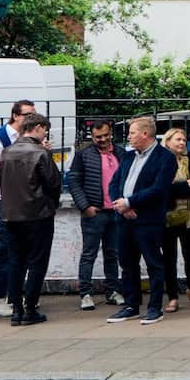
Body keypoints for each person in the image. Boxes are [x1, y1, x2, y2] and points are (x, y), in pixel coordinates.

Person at [0, 115, 61, 326]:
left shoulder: (6, 152)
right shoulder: (41, 153)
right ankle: (30, 308)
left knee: (16, 261)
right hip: (38, 213)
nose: (45, 135)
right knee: (36, 262)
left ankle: (16, 309)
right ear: (39, 127)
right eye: (45, 130)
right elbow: (53, 183)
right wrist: (52, 204)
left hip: (11, 214)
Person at [107, 116, 173, 325]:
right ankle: (131, 305)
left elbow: (159, 189)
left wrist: (131, 202)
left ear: (145, 134)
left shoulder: (165, 158)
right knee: (127, 263)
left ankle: (155, 308)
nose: (129, 136)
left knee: (154, 264)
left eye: (133, 132)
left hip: (148, 220)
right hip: (125, 218)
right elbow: (115, 182)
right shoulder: (127, 157)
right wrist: (122, 205)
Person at [0, 98, 37, 317]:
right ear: (15, 115)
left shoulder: (31, 137)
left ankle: (15, 296)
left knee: (23, 248)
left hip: (24, 198)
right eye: (27, 115)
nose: (32, 119)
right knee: (4, 247)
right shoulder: (0, 137)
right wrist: (22, 157)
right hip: (3, 198)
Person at [65, 120, 125, 311]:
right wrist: (85, 207)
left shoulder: (121, 152)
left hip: (116, 211)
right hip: (94, 212)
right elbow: (73, 181)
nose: (103, 139)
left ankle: (112, 291)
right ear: (92, 137)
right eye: (98, 137)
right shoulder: (83, 155)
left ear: (111, 134)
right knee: (89, 254)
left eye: (105, 135)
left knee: (113, 253)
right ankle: (86, 294)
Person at [159, 127, 190, 311]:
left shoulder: (189, 162)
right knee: (169, 256)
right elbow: (162, 188)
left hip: (189, 213)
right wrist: (184, 185)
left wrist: (181, 186)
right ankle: (172, 296)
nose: (182, 143)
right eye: (178, 139)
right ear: (167, 141)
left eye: (184, 140)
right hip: (167, 215)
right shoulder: (161, 162)